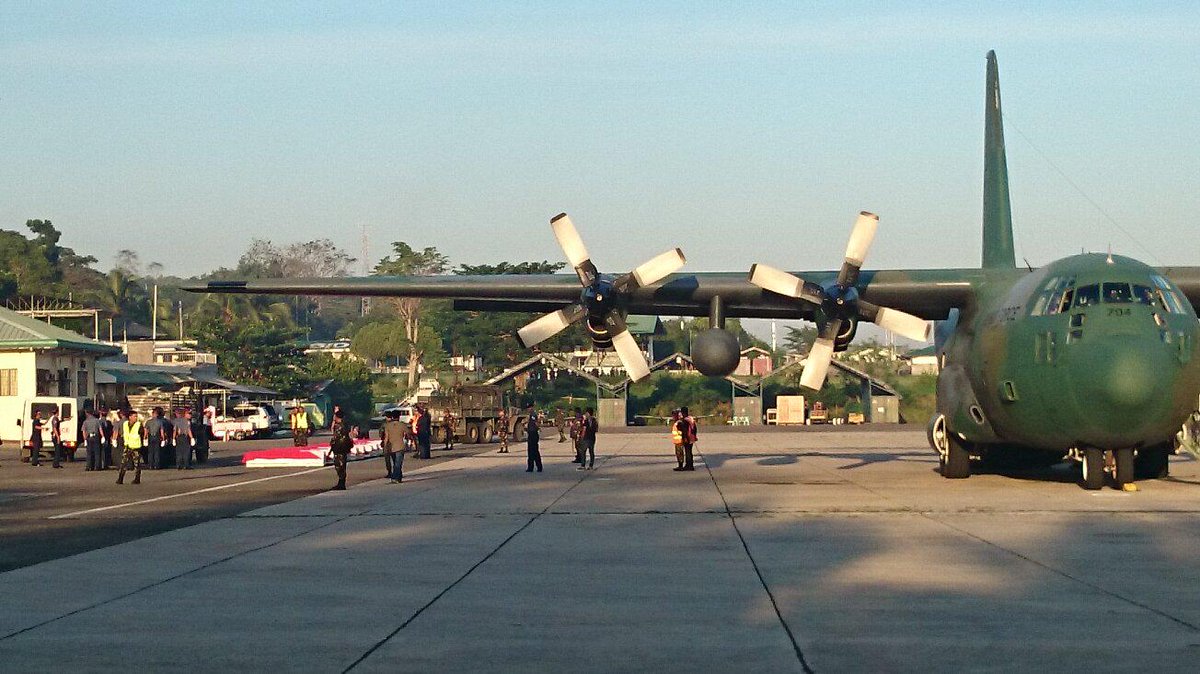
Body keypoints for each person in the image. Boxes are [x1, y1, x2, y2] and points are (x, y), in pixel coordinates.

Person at [116, 409, 145, 485]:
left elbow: (142, 433)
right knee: (123, 463)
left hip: (135, 447)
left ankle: (137, 479)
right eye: (134, 416)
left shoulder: (139, 424)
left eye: (136, 416)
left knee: (137, 464)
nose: (136, 418)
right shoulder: (125, 424)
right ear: (130, 417)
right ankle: (120, 478)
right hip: (127, 446)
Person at [329, 409, 353, 490]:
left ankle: (341, 483)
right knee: (342, 465)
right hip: (344, 447)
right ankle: (341, 482)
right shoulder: (345, 425)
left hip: (339, 447)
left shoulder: (338, 426)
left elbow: (335, 437)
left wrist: (332, 446)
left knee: (339, 465)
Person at [380, 410, 405, 483]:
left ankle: (395, 476)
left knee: (395, 462)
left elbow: (386, 437)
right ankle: (397, 477)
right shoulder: (402, 424)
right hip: (400, 446)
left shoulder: (387, 425)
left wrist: (385, 446)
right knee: (398, 463)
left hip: (391, 446)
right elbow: (409, 433)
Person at [674, 406, 697, 472]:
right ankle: (690, 465)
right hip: (692, 437)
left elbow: (684, 430)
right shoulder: (691, 419)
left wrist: (685, 438)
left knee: (687, 452)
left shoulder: (685, 420)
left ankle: (688, 466)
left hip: (687, 438)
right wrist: (694, 436)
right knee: (689, 452)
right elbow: (694, 429)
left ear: (682, 412)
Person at [525, 405, 542, 472]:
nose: (528, 409)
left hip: (533, 434)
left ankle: (535, 467)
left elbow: (536, 423)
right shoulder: (531, 415)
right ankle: (532, 467)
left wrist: (537, 428)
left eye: (529, 408)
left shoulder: (533, 415)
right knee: (532, 451)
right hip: (531, 433)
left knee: (534, 451)